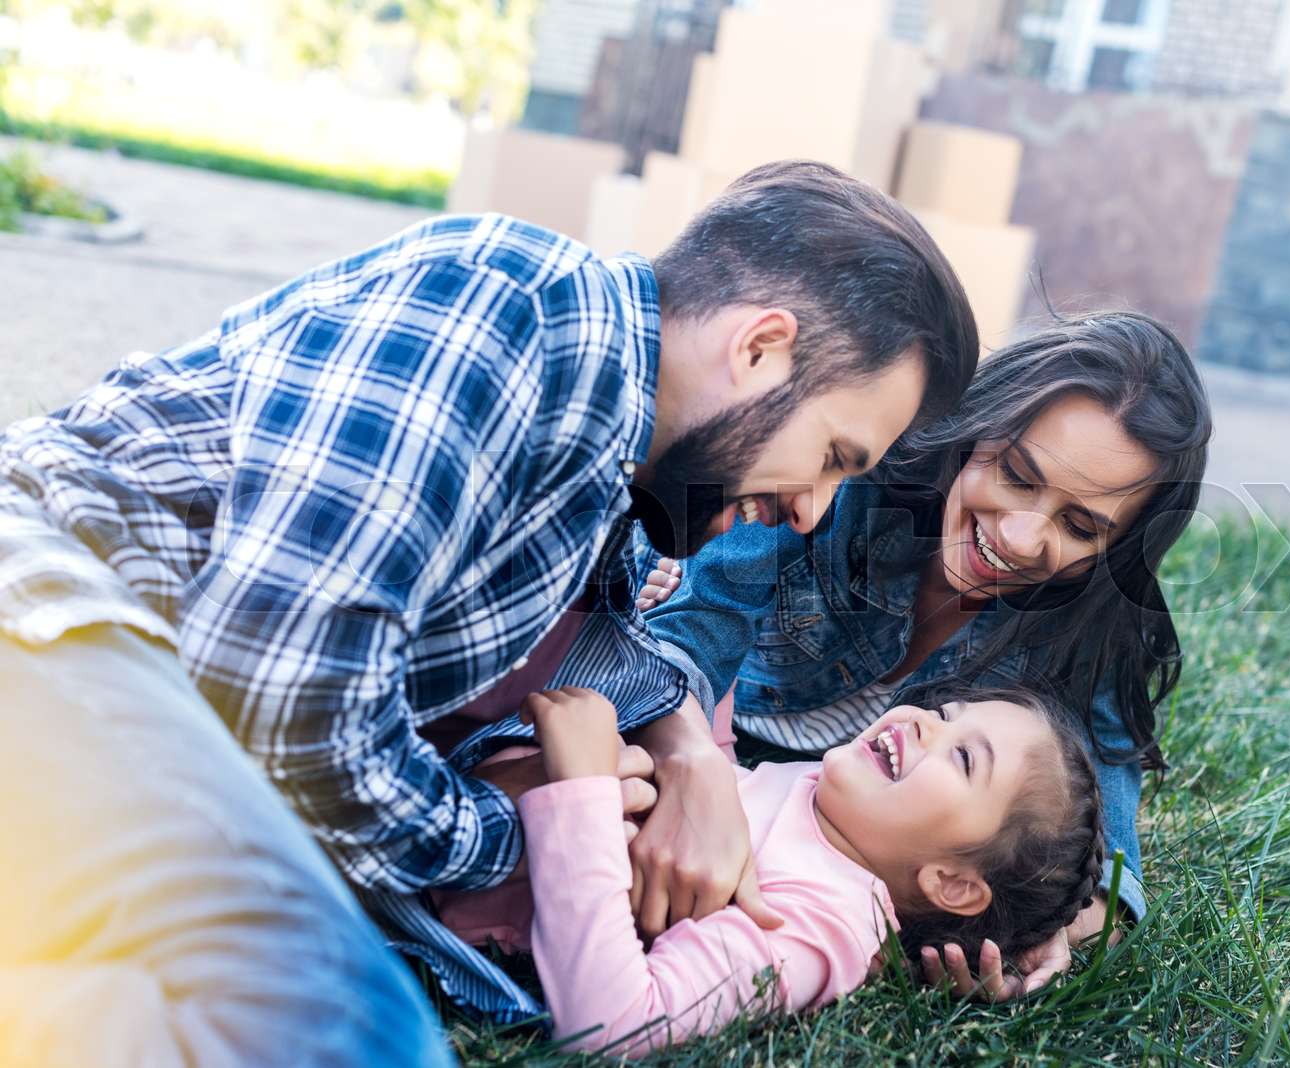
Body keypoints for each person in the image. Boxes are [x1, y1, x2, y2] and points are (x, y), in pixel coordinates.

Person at [0, 158, 979, 1055]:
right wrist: (509, 830)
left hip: (132, 702)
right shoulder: (516, 310)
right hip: (57, 614)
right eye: (835, 457)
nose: (810, 510)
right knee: (357, 1034)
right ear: (763, 348)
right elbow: (284, 687)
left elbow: (615, 647)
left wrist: (691, 760)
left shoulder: (610, 475)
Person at [630, 312, 1212, 999]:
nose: (1023, 539)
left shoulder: (1088, 631)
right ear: (976, 429)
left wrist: (1050, 929)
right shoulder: (842, 478)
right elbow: (684, 649)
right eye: (1019, 476)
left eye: (1080, 525)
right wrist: (689, 762)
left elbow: (1112, 874)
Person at [434, 682, 1104, 1054]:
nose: (926, 725)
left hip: (441, 871)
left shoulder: (819, 922)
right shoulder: (835, 805)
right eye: (944, 713)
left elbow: (615, 1023)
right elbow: (725, 775)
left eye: (963, 759)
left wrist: (579, 790)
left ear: (953, 883)